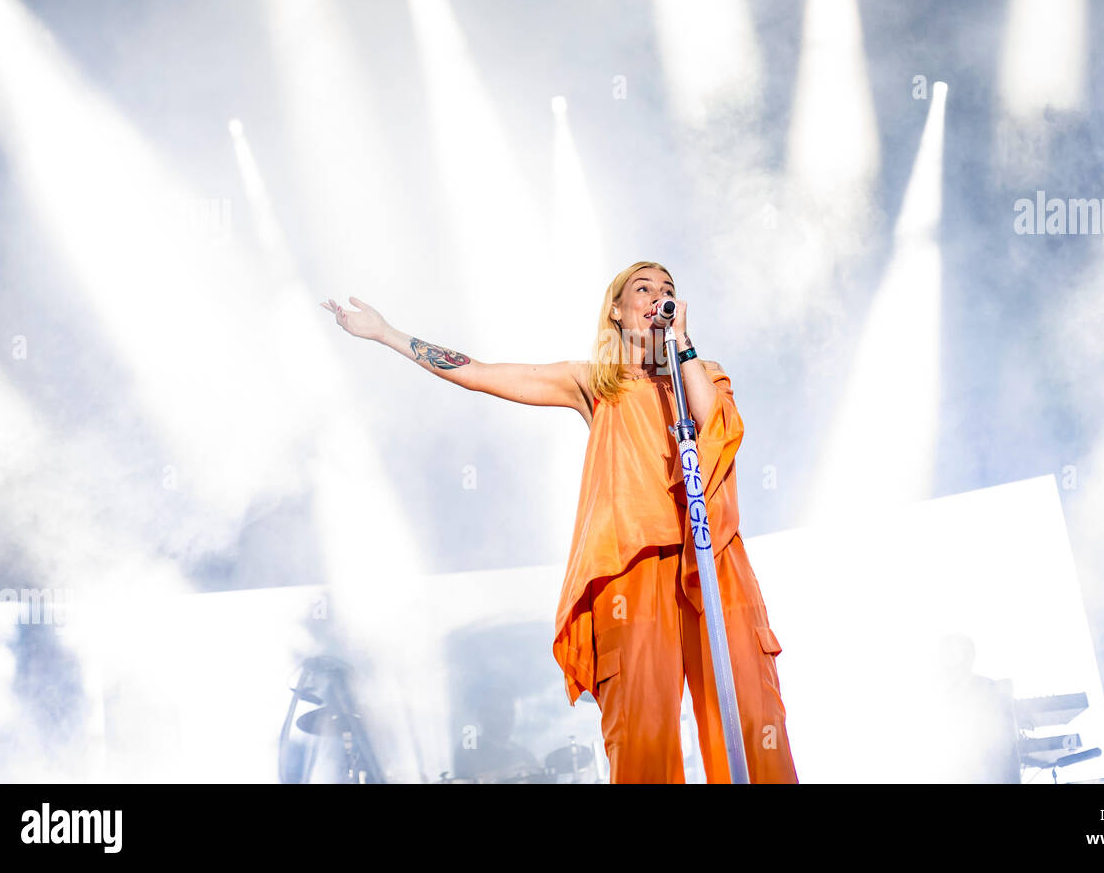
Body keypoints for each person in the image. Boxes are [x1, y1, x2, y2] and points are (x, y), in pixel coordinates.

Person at [322, 261, 798, 783]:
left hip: (713, 559)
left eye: (667, 290)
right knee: (642, 735)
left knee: (752, 720)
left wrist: (681, 346)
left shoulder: (701, 372)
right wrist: (387, 333)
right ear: (616, 310)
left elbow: (718, 427)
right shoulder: (595, 383)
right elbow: (484, 373)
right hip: (633, 569)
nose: (657, 297)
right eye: (643, 288)